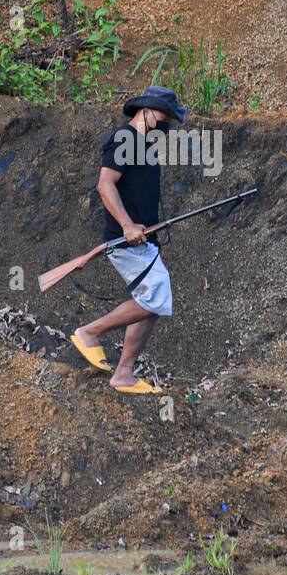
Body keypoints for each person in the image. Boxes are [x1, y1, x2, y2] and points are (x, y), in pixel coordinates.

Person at [69, 86, 188, 395]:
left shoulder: (144, 143)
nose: (165, 125)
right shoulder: (125, 139)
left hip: (144, 239)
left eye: (167, 120)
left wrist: (146, 224)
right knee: (158, 294)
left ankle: (123, 374)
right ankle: (89, 332)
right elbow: (105, 185)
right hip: (126, 240)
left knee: (151, 303)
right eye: (162, 117)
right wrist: (126, 225)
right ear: (145, 111)